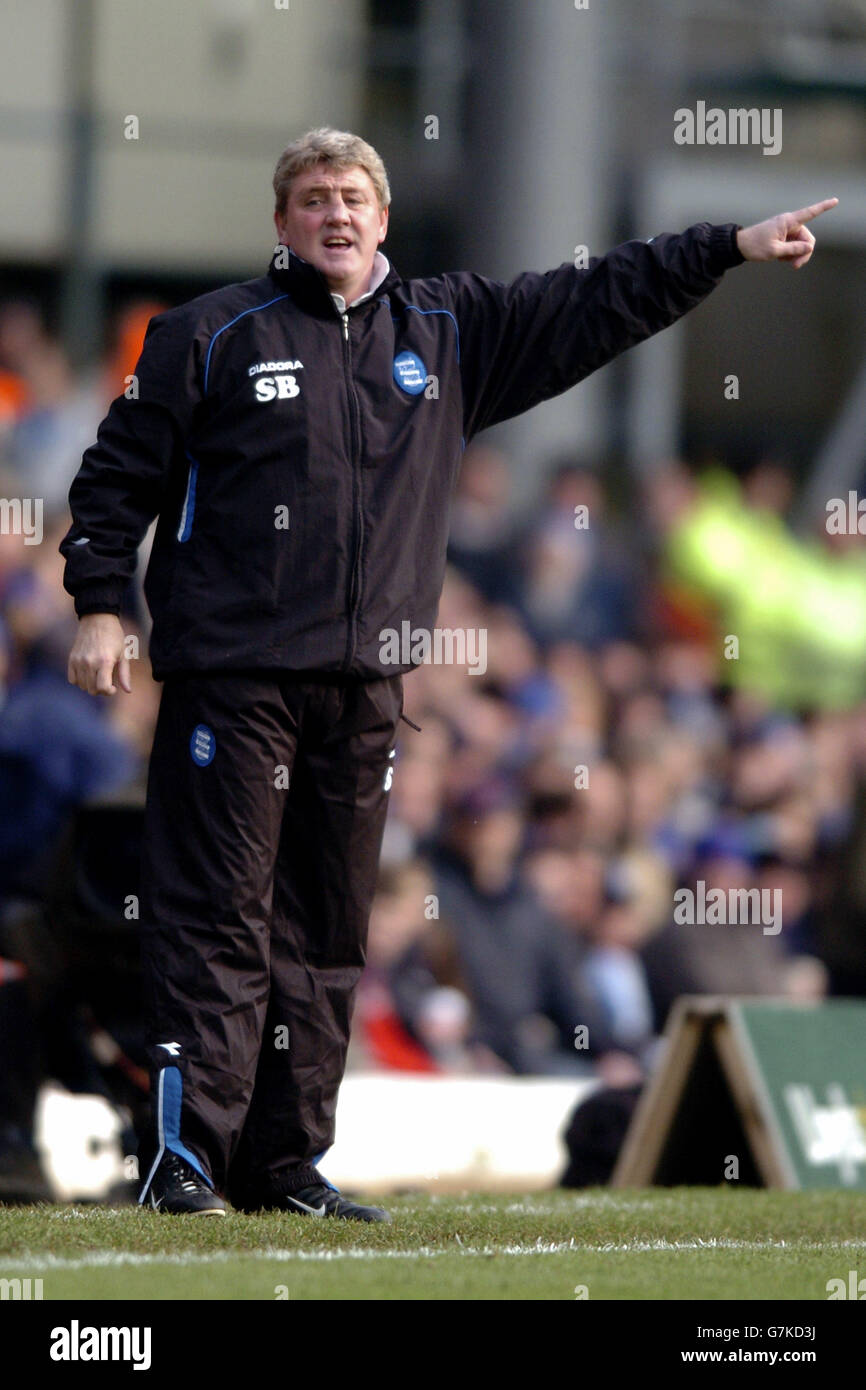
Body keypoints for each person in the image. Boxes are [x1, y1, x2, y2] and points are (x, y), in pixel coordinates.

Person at [59, 126, 837, 1220]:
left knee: (327, 933)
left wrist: (728, 247)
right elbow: (113, 478)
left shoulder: (448, 326)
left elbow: (595, 295)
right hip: (231, 680)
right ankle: (187, 1157)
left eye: (354, 197)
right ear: (281, 221)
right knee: (215, 915)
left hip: (368, 687)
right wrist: (103, 602)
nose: (336, 214)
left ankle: (283, 1166)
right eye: (314, 197)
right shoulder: (207, 333)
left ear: (382, 218)